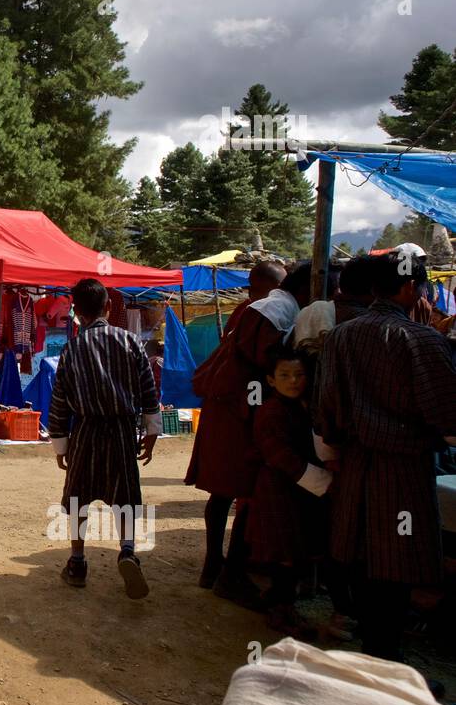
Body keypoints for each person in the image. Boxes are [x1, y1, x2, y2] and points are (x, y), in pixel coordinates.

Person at [317, 250, 456, 666]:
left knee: (362, 561)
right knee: (396, 568)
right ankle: (385, 662)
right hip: (404, 473)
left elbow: (324, 410)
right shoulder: (422, 340)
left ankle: (373, 656)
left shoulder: (341, 335)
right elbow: (447, 414)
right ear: (411, 287)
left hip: (356, 467)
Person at [186, 262, 311, 605]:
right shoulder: (267, 311)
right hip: (239, 412)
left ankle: (217, 565)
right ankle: (227, 572)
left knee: (226, 491)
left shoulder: (254, 308)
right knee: (246, 490)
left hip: (228, 406)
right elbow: (266, 363)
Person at [49, 278, 162, 599]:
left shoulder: (72, 350)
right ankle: (127, 551)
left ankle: (77, 562)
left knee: (77, 497)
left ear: (75, 312)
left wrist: (61, 444)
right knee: (125, 495)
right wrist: (151, 431)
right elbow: (148, 390)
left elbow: (59, 400)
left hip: (86, 431)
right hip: (123, 432)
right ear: (108, 307)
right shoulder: (130, 342)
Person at [247, 348, 331, 639]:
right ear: (271, 380)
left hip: (296, 491)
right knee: (285, 556)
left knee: (294, 553)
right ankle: (281, 613)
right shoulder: (270, 411)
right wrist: (324, 482)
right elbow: (278, 455)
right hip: (278, 492)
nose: (293, 381)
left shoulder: (301, 407)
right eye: (285, 375)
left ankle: (283, 606)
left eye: (299, 375)